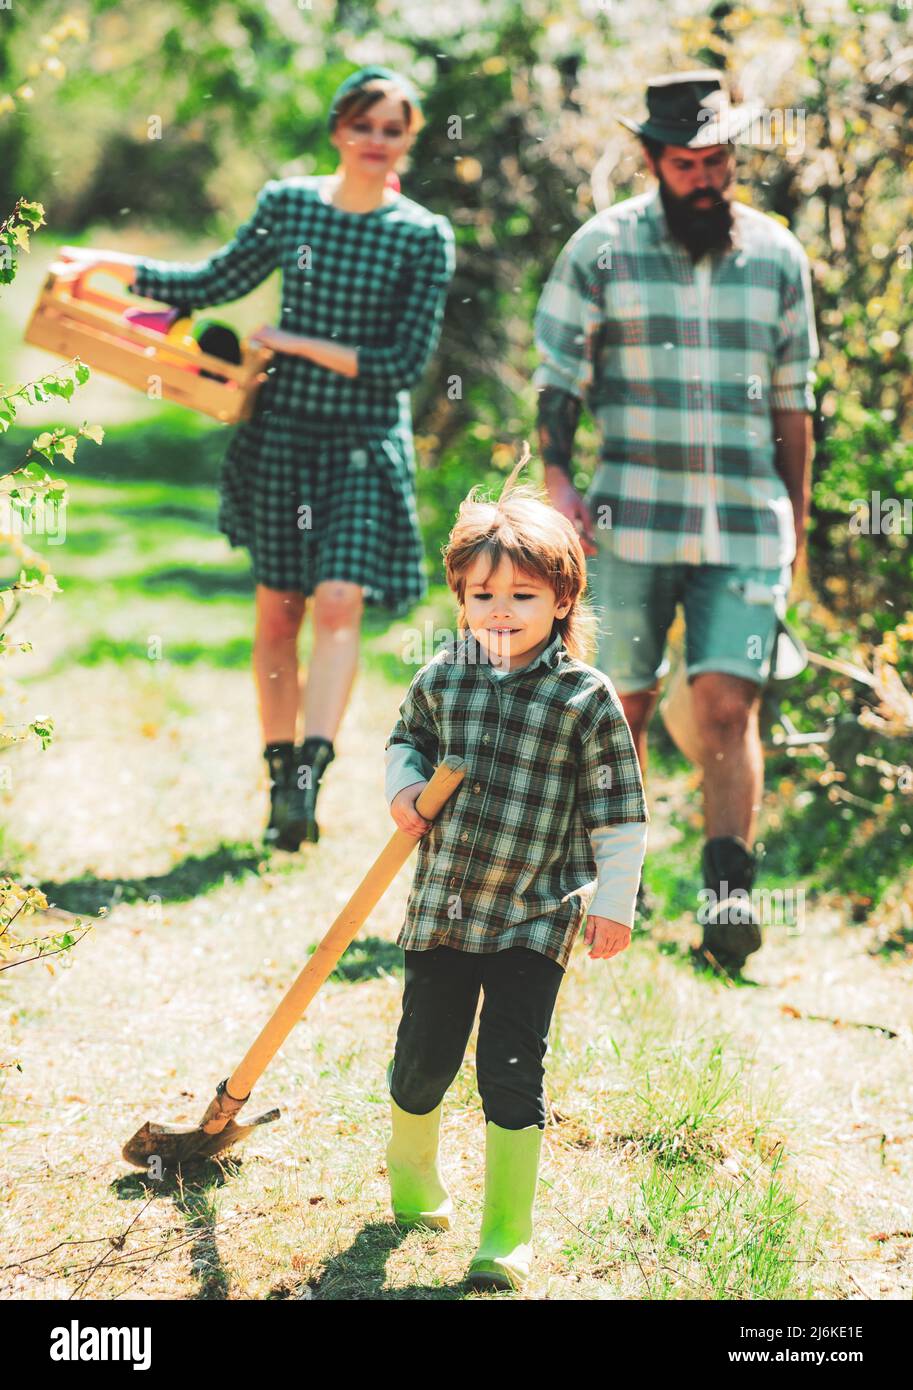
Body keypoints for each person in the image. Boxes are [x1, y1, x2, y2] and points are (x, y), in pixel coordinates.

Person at [60, 65, 456, 850]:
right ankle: (281, 779)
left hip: (362, 443)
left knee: (339, 603)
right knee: (279, 612)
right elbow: (211, 280)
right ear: (339, 130)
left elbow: (402, 365)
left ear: (408, 139)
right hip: (282, 434)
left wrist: (296, 341)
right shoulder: (289, 205)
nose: (376, 141)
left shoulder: (422, 235)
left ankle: (314, 770)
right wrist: (106, 268)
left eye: (392, 129)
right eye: (363, 125)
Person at [533, 70, 818, 974]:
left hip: (743, 520)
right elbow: (558, 375)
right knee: (625, 704)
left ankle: (727, 895)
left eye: (719, 161)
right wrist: (556, 481)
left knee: (728, 704)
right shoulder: (601, 248)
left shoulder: (776, 256)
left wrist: (796, 524)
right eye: (687, 163)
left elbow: (793, 402)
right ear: (654, 160)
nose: (706, 178)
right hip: (628, 518)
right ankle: (615, 890)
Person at [382, 454, 649, 1291]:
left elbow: (619, 811)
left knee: (510, 1063)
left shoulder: (584, 698)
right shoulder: (443, 676)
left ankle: (505, 1230)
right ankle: (411, 1165)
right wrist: (405, 791)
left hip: (536, 913)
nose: (500, 612)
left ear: (562, 599)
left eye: (522, 597)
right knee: (424, 1056)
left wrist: (612, 903)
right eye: (482, 596)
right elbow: (404, 742)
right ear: (459, 598)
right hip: (444, 907)